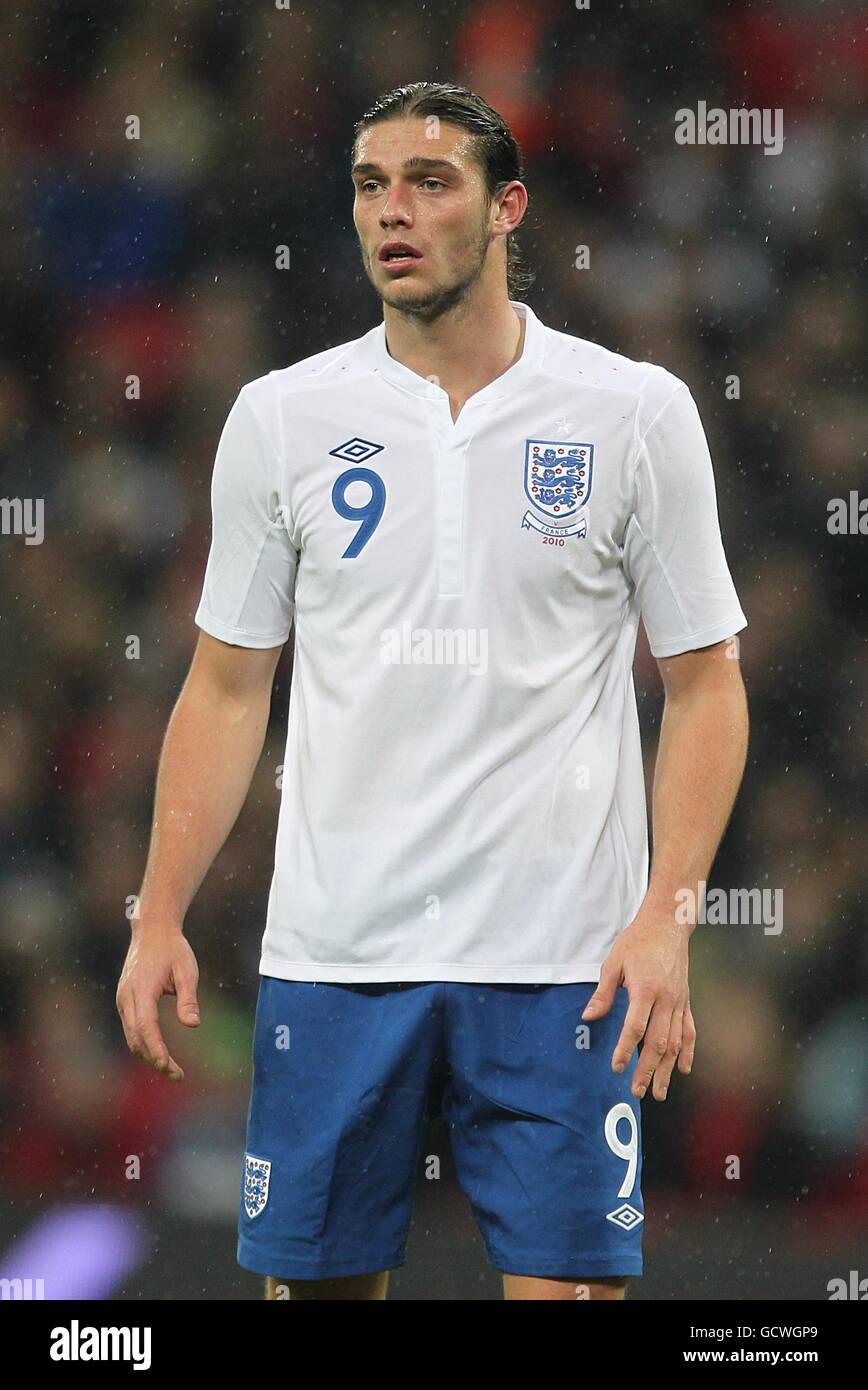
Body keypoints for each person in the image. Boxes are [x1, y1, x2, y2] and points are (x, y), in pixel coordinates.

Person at [116, 82, 749, 1301]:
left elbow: (707, 679)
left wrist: (668, 914)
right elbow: (228, 685)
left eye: (428, 182)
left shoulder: (633, 414)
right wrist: (158, 910)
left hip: (565, 960)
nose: (390, 214)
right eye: (368, 187)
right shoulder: (284, 419)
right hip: (340, 950)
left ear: (508, 208)